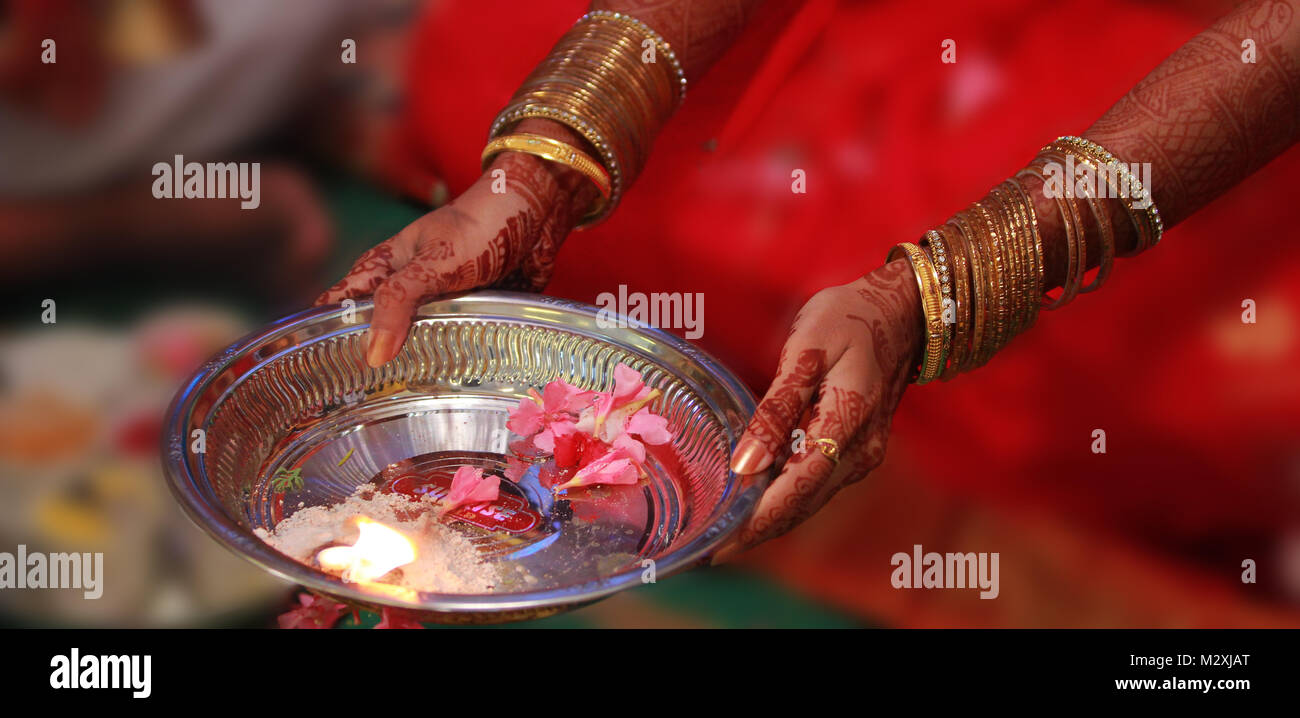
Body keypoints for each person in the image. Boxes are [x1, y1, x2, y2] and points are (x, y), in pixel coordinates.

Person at [320, 0, 1300, 565]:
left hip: (1174, 54)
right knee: (483, 65)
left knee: (1234, 375)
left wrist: (936, 290)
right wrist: (540, 168)